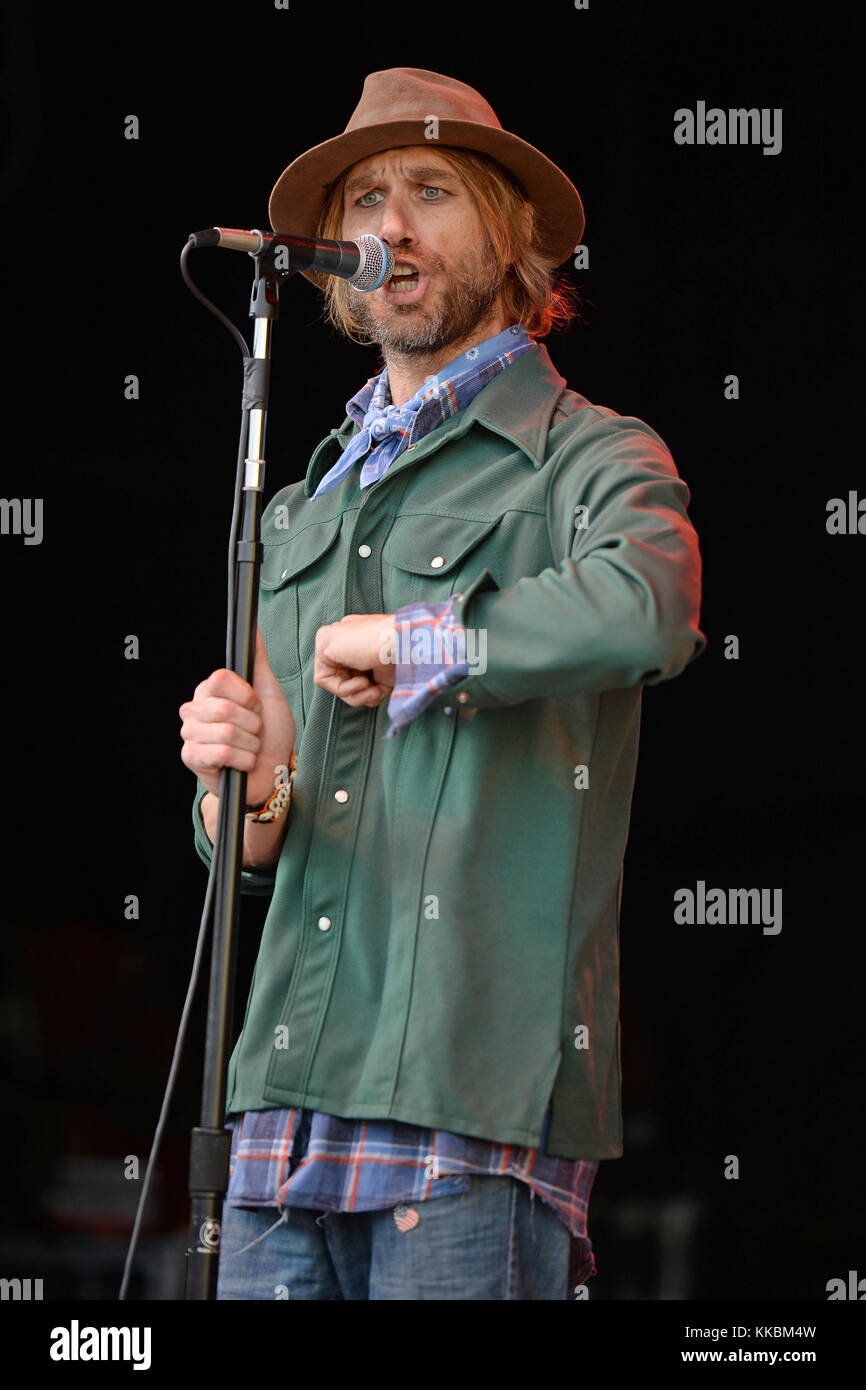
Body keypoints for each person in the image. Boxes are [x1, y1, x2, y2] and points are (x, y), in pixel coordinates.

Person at [178, 67, 706, 1301]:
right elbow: (255, 829)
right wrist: (238, 798)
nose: (387, 227)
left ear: (513, 237)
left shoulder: (592, 453)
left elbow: (650, 608)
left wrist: (425, 644)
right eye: (363, 198)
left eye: (429, 192)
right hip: (275, 1115)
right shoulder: (299, 508)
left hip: (469, 1113)